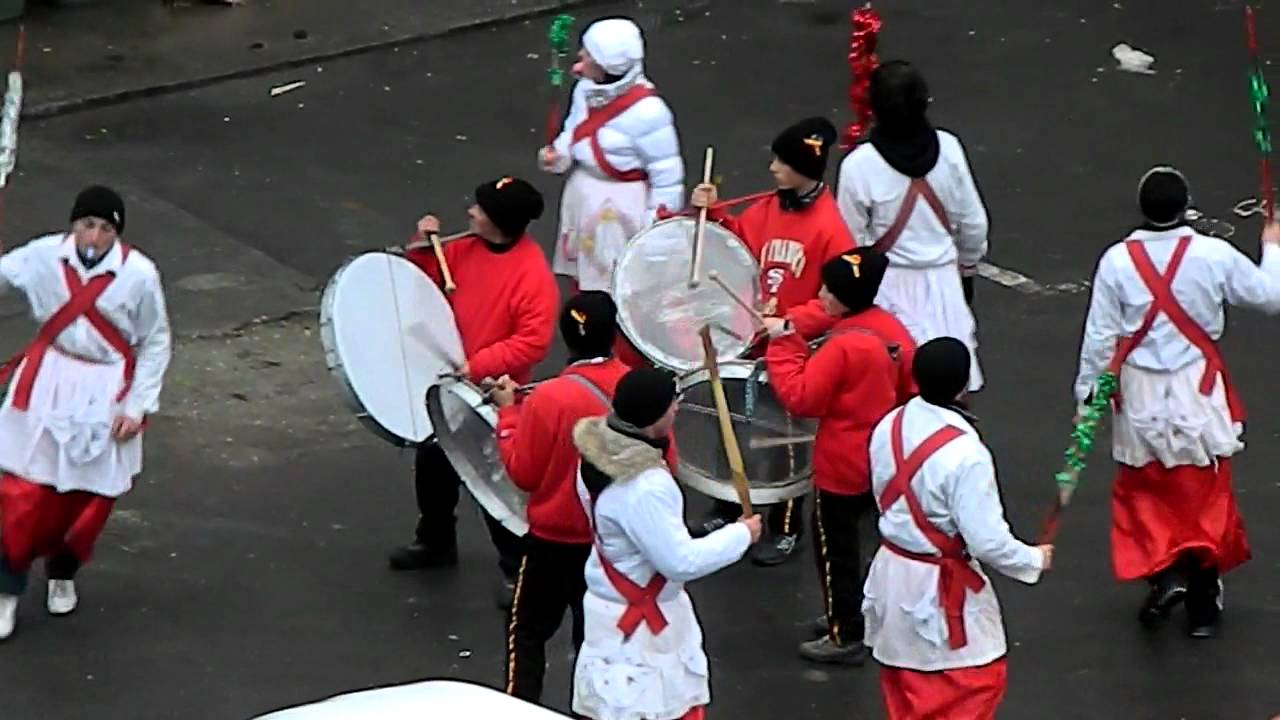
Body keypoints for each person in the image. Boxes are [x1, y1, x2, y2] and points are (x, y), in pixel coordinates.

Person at [1073, 166, 1280, 637]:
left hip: (1140, 392)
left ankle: (1163, 574)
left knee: (1146, 492)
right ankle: (1204, 599)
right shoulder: (1212, 254)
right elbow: (1271, 297)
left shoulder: (1117, 262)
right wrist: (1272, 245)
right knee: (1205, 494)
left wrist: (1087, 401)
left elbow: (1101, 340)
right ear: (1186, 206)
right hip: (1197, 390)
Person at [0, 185, 172, 640]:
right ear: (73, 224)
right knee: (20, 492)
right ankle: (6, 589)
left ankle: (63, 571)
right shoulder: (43, 255)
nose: (94, 237)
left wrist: (135, 406)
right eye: (87, 225)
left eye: (105, 228)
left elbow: (155, 341)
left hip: (104, 388)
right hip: (48, 377)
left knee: (86, 499)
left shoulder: (139, 275)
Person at [684, 117, 856, 565]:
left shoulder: (832, 229)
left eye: (782, 161)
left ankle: (784, 526)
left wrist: (789, 323)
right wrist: (715, 212)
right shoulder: (766, 207)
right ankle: (729, 505)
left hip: (789, 346)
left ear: (804, 168)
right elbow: (740, 245)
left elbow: (836, 301)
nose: (773, 167)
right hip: (748, 339)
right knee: (732, 423)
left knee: (785, 438)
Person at [492, 291, 676, 705]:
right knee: (594, 640)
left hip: (553, 541)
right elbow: (668, 461)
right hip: (616, 546)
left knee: (527, 632)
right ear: (615, 334)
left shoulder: (549, 397)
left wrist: (508, 416)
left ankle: (519, 710)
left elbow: (524, 474)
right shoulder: (638, 391)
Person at [393, 176, 560, 611]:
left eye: (480, 209)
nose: (470, 212)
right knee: (432, 462)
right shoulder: (462, 248)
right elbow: (426, 281)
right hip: (449, 380)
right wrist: (422, 243)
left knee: (492, 482)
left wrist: (477, 366)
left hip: (489, 392)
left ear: (499, 222)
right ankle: (434, 540)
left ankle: (515, 567)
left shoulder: (532, 276)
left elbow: (532, 342)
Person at [864, 337, 1051, 719]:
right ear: (964, 386)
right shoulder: (967, 454)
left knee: (905, 688)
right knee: (970, 687)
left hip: (893, 575)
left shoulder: (888, 425)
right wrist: (1032, 559)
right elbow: (987, 541)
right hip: (938, 588)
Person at [571, 367, 761, 720]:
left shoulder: (595, 460)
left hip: (612, 614)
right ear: (653, 416)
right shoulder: (646, 485)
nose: (677, 409)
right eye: (672, 403)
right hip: (641, 629)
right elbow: (679, 561)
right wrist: (740, 535)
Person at [762, 247, 915, 664]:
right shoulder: (892, 332)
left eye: (828, 290)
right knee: (865, 549)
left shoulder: (844, 347)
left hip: (840, 467)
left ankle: (843, 631)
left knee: (836, 554)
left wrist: (784, 343)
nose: (822, 295)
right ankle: (856, 615)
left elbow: (800, 395)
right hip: (879, 460)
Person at [837, 60, 989, 392]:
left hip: (886, 292)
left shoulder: (858, 166)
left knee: (891, 390)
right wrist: (966, 270)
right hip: (945, 288)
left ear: (873, 107)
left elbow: (852, 244)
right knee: (951, 391)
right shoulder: (949, 149)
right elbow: (973, 223)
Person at [539, 16, 685, 294]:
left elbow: (667, 176)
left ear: (605, 65)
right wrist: (559, 154)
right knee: (583, 277)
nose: (580, 55)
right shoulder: (585, 89)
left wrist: (657, 230)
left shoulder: (650, 112)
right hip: (584, 196)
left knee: (618, 283)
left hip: (622, 207)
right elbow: (575, 130)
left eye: (589, 53)